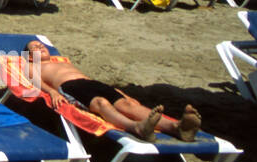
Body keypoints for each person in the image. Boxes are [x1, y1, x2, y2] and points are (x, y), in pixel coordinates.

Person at [24, 40, 201, 141]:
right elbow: (33, 80)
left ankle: (176, 127)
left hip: (91, 82)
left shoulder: (62, 61)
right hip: (72, 87)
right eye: (35, 48)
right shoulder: (32, 66)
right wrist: (52, 92)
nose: (40, 47)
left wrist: (122, 92)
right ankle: (136, 127)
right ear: (30, 56)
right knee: (101, 103)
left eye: (41, 45)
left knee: (127, 104)